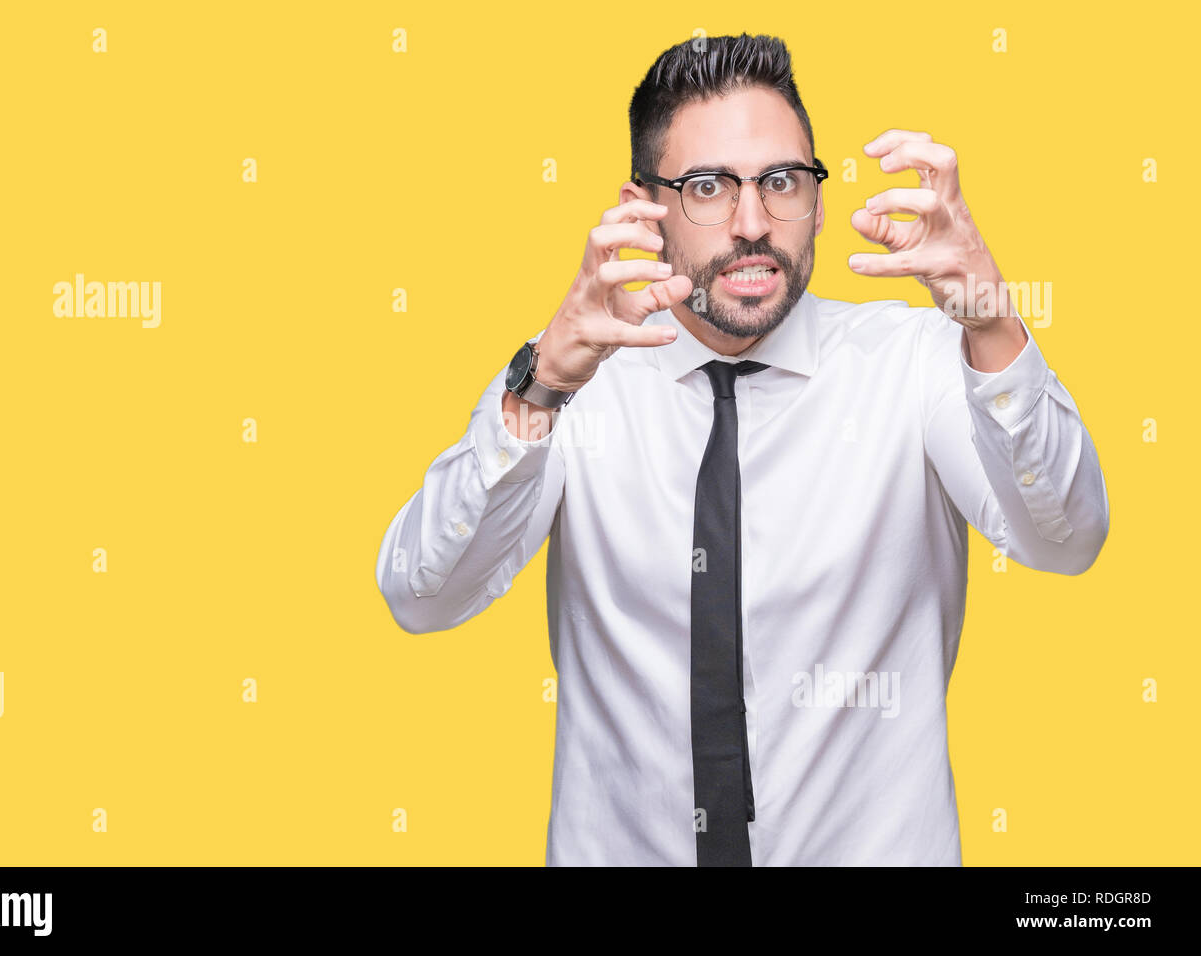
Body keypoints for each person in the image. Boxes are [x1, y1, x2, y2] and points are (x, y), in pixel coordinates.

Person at [374, 32, 1109, 866]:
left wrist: (991, 318)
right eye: (708, 188)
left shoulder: (919, 363)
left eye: (782, 182)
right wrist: (539, 389)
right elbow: (422, 597)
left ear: (820, 201)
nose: (753, 224)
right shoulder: (572, 377)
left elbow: (1066, 539)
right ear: (644, 209)